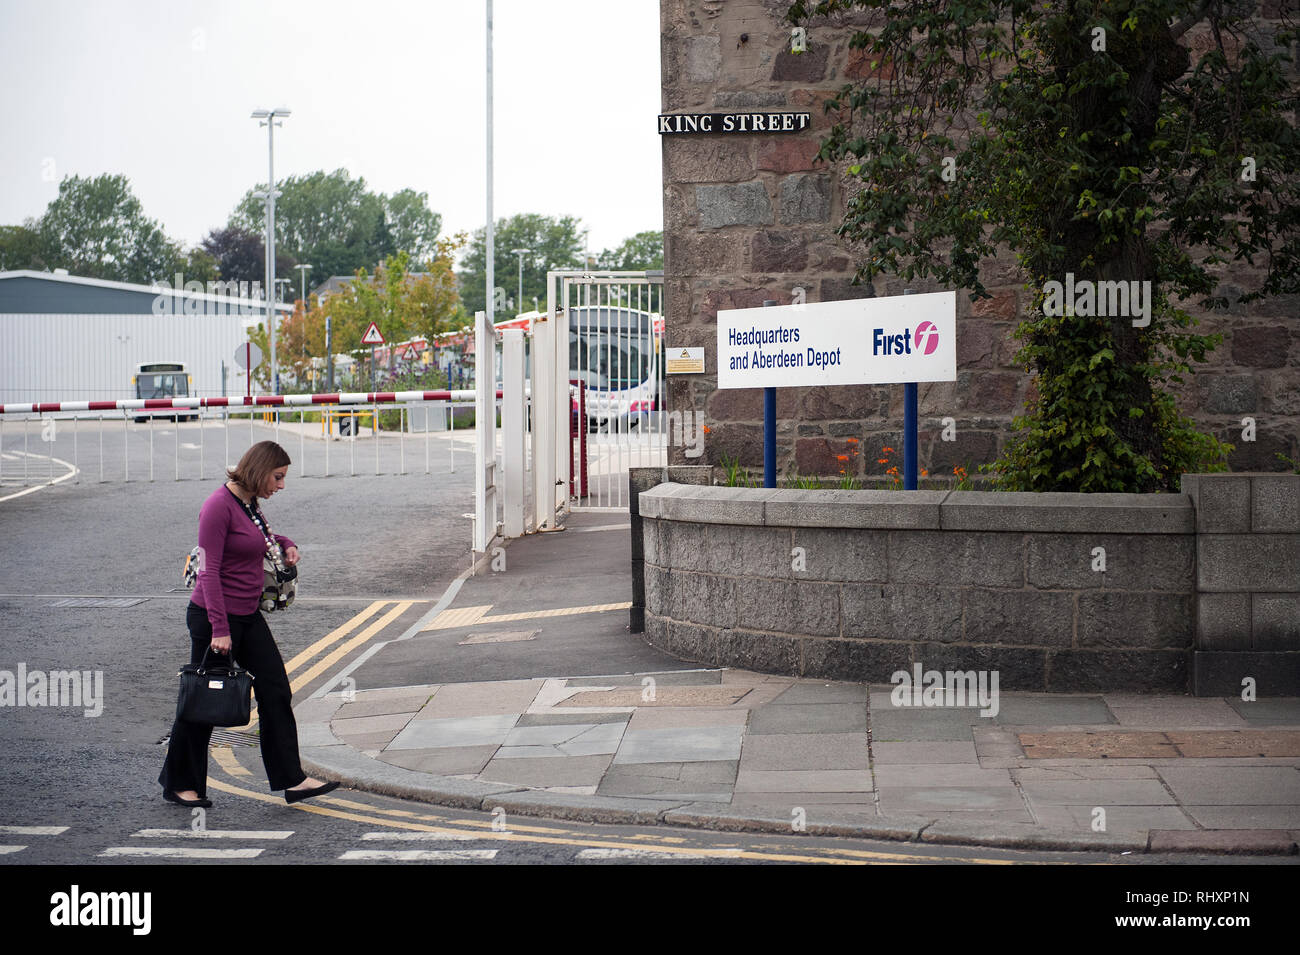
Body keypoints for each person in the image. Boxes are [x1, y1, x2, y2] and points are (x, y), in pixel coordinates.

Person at [159, 440, 340, 807]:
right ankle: (179, 783)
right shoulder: (216, 507)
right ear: (259, 471)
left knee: (275, 691)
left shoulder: (249, 504)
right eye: (278, 477)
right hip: (216, 618)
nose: (281, 486)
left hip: (247, 614)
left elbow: (260, 539)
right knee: (203, 702)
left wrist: (285, 543)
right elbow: (207, 572)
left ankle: (292, 779)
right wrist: (220, 629)